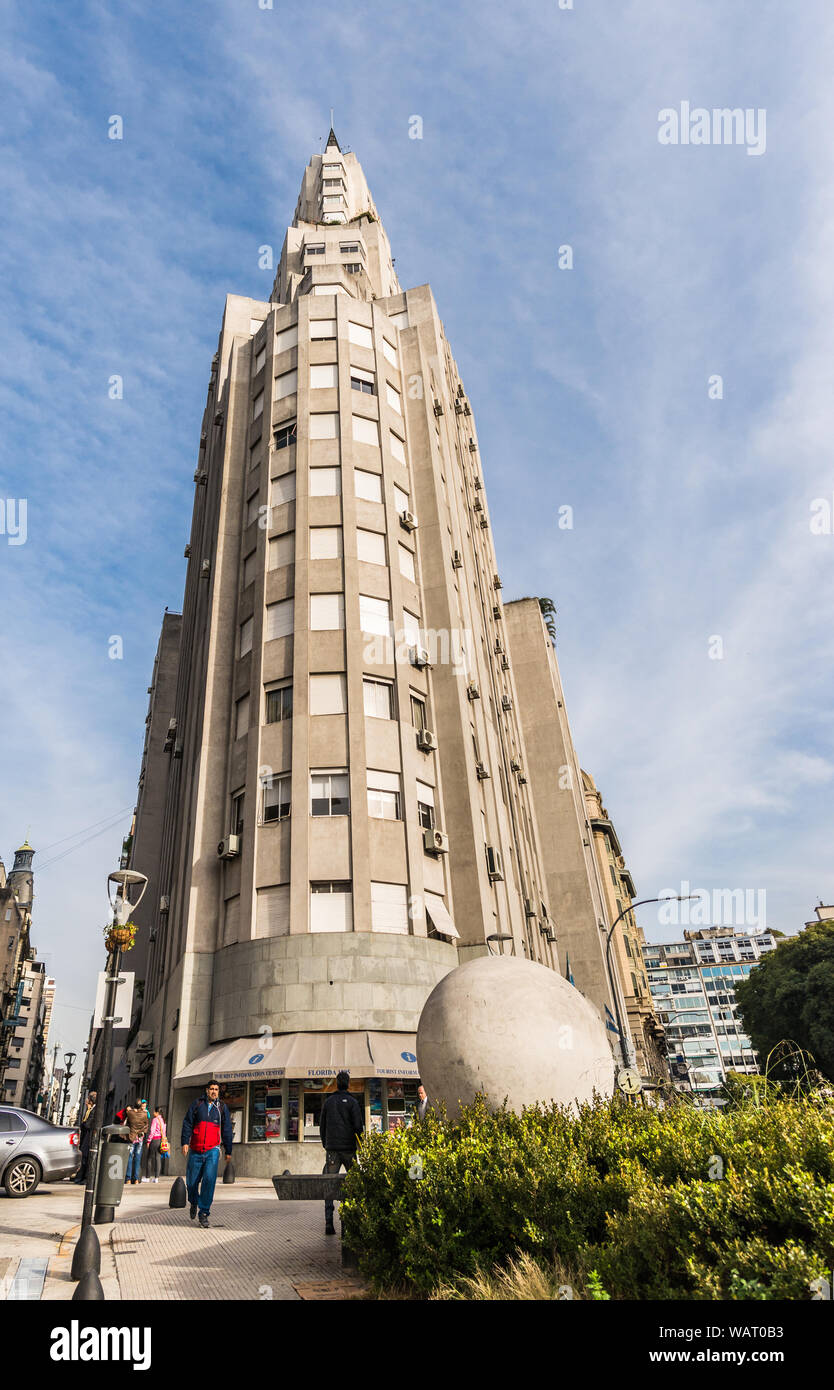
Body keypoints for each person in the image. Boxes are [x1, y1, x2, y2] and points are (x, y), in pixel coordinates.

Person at [181, 1081, 233, 1228]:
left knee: (209, 1181)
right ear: (206, 1090)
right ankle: (194, 1201)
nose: (214, 1092)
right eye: (211, 1089)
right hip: (195, 1150)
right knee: (191, 1183)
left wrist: (228, 1150)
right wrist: (185, 1142)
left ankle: (204, 1213)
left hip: (213, 1150)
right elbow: (187, 1123)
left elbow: (227, 1130)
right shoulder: (197, 1104)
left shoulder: (221, 1108)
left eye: (216, 1089)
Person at [319, 1071, 364, 1236]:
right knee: (354, 1183)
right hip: (349, 1150)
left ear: (337, 1083)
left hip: (332, 1150)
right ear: (348, 1083)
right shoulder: (352, 1102)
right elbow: (358, 1126)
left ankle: (329, 1221)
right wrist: (360, 1146)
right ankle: (352, 1219)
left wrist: (326, 1144)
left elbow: (322, 1125)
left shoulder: (328, 1102)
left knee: (330, 1185)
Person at [74, 1091, 97, 1182]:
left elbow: (87, 1124)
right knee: (84, 1156)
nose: (86, 1100)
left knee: (85, 1157)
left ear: (91, 1100)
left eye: (88, 1098)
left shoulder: (93, 1111)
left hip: (89, 1136)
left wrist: (83, 1124)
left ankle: (82, 1177)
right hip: (85, 1136)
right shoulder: (90, 1110)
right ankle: (80, 1177)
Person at [125, 1102, 149, 1184]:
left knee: (130, 1158)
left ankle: (128, 1179)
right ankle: (136, 1179)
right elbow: (146, 1125)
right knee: (138, 1158)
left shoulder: (130, 1113)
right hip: (140, 1138)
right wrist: (142, 1132)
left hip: (132, 1138)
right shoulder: (144, 1114)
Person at [143, 1104, 167, 1183]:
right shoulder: (163, 1120)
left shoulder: (155, 1120)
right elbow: (164, 1132)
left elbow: (152, 1131)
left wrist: (149, 1140)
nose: (153, 1112)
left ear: (157, 1112)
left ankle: (147, 1177)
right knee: (158, 1158)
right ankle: (156, 1178)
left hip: (154, 1140)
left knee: (149, 1158)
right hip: (160, 1140)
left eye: (154, 1111)